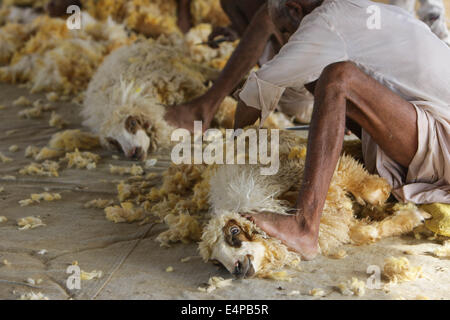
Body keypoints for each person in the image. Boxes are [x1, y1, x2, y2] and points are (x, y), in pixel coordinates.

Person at [232, 0, 450, 259]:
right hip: (434, 132)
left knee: (339, 77)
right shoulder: (365, 10)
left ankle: (304, 226)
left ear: (294, 9)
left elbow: (257, 90)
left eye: (286, 32)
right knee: (319, 76)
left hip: (443, 140)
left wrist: (234, 147)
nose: (288, 39)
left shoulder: (325, 20)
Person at [164, 0, 315, 132]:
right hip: (286, 87)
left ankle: (203, 110)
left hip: (310, 98)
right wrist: (236, 30)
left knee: (269, 13)